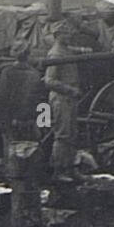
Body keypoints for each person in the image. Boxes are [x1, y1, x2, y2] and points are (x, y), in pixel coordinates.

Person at [44, 23, 83, 179]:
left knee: (72, 133)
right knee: (63, 135)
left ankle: (70, 168)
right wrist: (70, 89)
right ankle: (59, 171)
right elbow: (49, 81)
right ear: (57, 35)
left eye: (69, 33)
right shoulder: (56, 54)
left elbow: (75, 50)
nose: (69, 36)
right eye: (65, 33)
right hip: (61, 98)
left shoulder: (65, 50)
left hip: (70, 97)